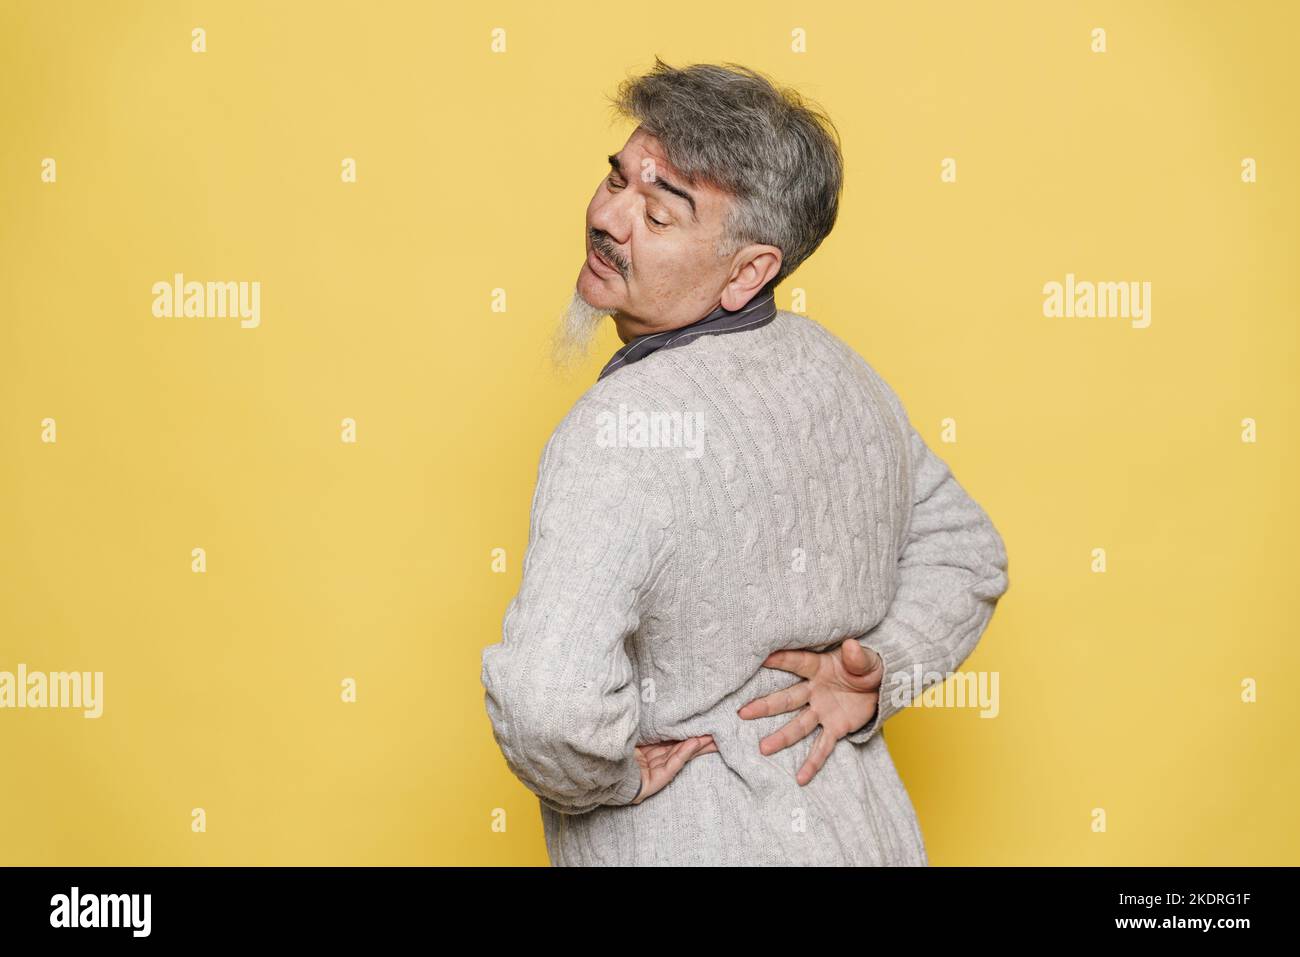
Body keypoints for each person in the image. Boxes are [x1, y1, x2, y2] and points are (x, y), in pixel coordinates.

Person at [480, 58, 1009, 865]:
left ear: (750, 271)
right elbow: (967, 551)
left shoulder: (617, 430)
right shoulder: (839, 368)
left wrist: (605, 780)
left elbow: (548, 702)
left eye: (659, 216)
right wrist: (877, 672)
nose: (610, 218)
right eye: (617, 179)